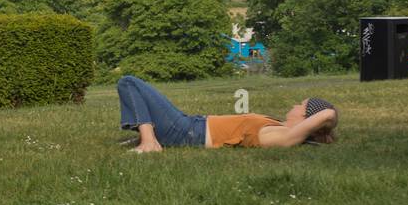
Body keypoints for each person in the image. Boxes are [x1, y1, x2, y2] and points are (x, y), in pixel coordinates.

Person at [116, 75, 338, 153]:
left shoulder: (280, 135)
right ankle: (150, 135)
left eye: (301, 104)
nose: (295, 105)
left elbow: (327, 114)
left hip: (187, 132)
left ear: (306, 117)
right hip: (190, 125)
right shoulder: (278, 126)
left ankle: (149, 142)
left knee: (128, 82)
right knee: (135, 88)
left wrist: (328, 116)